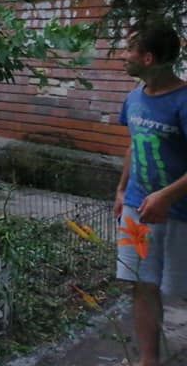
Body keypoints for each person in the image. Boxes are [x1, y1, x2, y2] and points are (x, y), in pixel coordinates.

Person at [114, 22, 187, 366]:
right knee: (141, 284)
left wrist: (167, 196)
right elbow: (134, 145)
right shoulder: (133, 97)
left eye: (128, 50)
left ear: (147, 57)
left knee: (182, 289)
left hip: (179, 216)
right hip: (137, 212)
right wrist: (122, 189)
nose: (122, 57)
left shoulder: (184, 101)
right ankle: (148, 361)